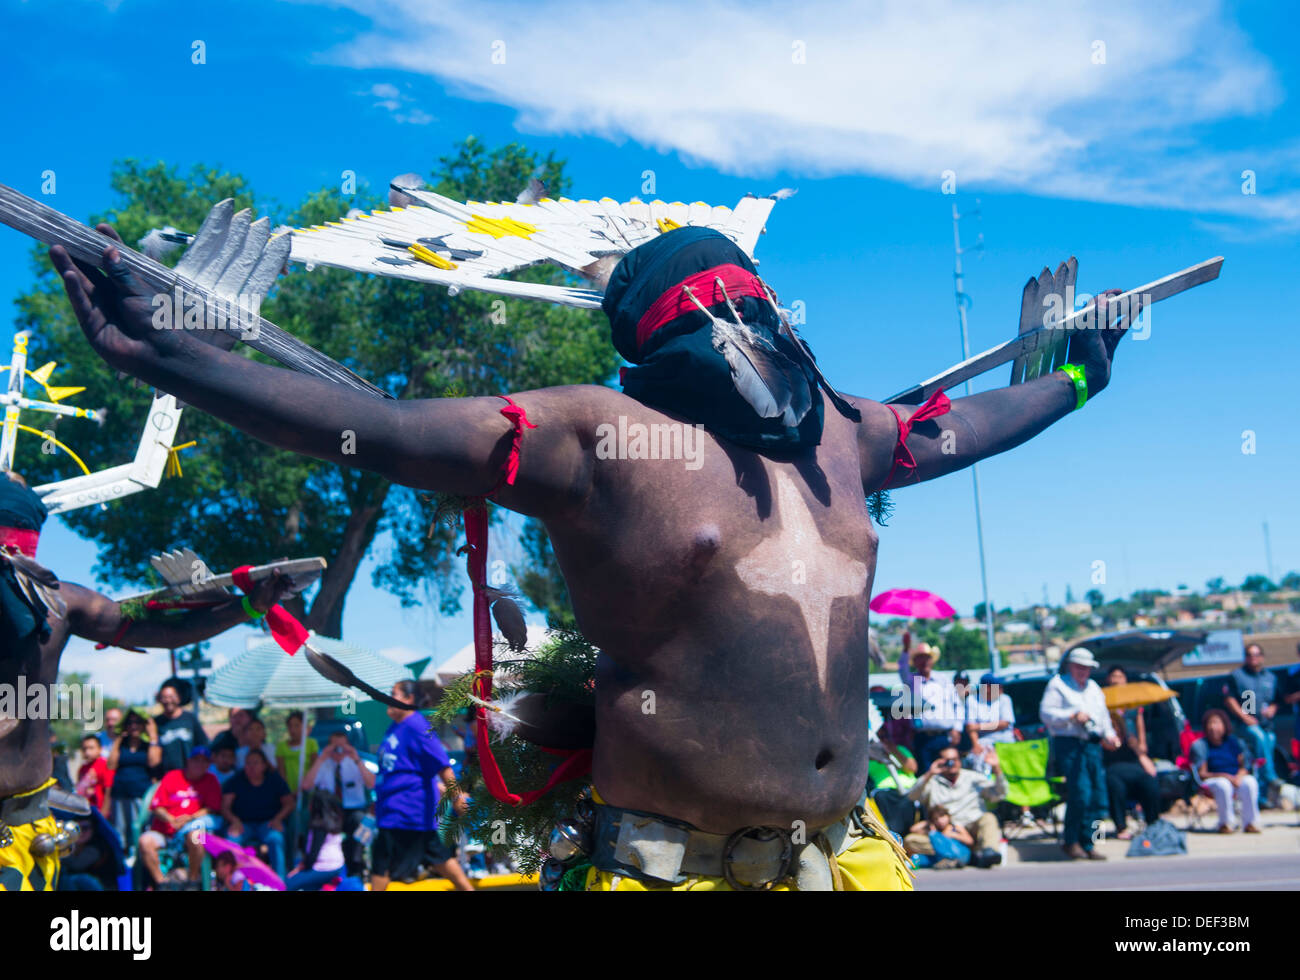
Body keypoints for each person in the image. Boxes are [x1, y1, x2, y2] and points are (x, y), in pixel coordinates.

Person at [55, 220, 1135, 890]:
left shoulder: (844, 434)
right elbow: (371, 428)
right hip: (664, 876)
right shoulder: (589, 435)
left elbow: (974, 425)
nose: (739, 336)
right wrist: (174, 354)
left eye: (748, 310)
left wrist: (1075, 376)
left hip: (844, 860)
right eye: (710, 316)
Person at [0, 470, 292, 891]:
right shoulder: (62, 603)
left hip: (30, 831)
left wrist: (248, 605)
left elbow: (164, 630)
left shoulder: (61, 603)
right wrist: (246, 607)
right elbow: (166, 631)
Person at [371, 680, 473, 891]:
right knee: (439, 857)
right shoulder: (396, 726)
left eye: (394, 694)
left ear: (409, 699)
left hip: (406, 809)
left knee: (381, 862)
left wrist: (457, 798)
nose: (388, 699)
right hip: (393, 808)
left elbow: (442, 765)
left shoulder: (417, 726)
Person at [1039, 648, 1121, 860]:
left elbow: (1103, 717)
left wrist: (1110, 736)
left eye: (1087, 668)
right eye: (1079, 667)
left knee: (1099, 795)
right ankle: (1072, 841)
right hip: (1069, 743)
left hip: (1092, 744)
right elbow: (1046, 714)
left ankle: (1093, 842)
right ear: (1070, 667)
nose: (1083, 671)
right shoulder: (1058, 685)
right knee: (1081, 793)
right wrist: (1072, 715)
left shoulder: (1093, 688)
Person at [904, 745, 1006, 868]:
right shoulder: (932, 781)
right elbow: (911, 796)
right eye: (947, 760)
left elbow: (999, 795)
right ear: (940, 761)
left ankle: (988, 853)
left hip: (972, 827)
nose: (952, 763)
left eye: (955, 759)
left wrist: (997, 769)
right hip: (945, 835)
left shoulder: (973, 777)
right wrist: (929, 773)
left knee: (989, 818)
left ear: (960, 760)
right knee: (911, 841)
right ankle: (965, 856)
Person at [137, 746, 223, 888]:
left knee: (197, 836)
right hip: (164, 831)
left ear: (209, 765)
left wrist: (190, 818)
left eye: (204, 761)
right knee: (145, 841)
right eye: (196, 760)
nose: (199, 764)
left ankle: (192, 880)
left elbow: (212, 809)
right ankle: (162, 883)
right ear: (188, 761)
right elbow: (156, 807)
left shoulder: (210, 780)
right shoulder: (172, 776)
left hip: (189, 831)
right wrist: (171, 820)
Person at [1101, 665, 1162, 839]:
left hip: (1133, 757)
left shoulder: (1134, 705)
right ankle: (1121, 826)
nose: (1116, 680)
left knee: (1150, 783)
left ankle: (1153, 823)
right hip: (1113, 761)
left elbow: (1140, 728)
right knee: (1115, 785)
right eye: (1113, 676)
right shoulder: (1103, 703)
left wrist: (1140, 748)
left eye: (1120, 676)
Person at [304, 729, 374, 875]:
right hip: (329, 813)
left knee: (363, 823)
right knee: (318, 824)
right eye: (335, 747)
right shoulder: (323, 764)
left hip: (353, 811)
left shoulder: (356, 763)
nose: (339, 751)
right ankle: (312, 864)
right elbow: (306, 785)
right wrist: (321, 758)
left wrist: (356, 759)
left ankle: (357, 865)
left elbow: (371, 784)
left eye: (342, 746)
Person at [221, 749, 294, 880]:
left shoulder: (274, 779)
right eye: (248, 763)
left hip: (268, 823)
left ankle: (280, 881)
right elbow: (225, 807)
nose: (251, 767)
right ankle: (232, 882)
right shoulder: (236, 780)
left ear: (264, 765)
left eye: (255, 763)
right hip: (243, 825)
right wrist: (234, 820)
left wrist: (278, 819)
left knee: (276, 838)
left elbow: (289, 803)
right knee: (232, 840)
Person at [1224, 643, 1281, 808]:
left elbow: (1278, 700)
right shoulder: (1237, 676)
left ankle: (1262, 799)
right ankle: (1271, 776)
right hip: (1245, 726)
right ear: (1245, 657)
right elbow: (1229, 699)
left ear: (1262, 657)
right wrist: (1244, 716)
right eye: (1249, 655)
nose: (1253, 658)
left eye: (1256, 655)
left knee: (1264, 753)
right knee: (1259, 738)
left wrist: (1272, 708)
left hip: (1267, 725)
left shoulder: (1270, 677)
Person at [1190, 709, 1260, 833]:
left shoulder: (1234, 742)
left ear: (1224, 725)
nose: (1212, 727)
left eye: (1216, 723)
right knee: (1223, 784)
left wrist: (1239, 776)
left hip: (1235, 778)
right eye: (1209, 724)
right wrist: (1226, 776)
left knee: (1250, 782)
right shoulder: (1201, 745)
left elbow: (1245, 765)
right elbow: (1202, 773)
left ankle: (1250, 823)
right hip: (1213, 780)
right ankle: (1225, 823)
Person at [899, 643, 965, 770]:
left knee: (948, 770)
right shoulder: (912, 681)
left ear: (932, 660)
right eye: (920, 658)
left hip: (944, 736)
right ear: (915, 662)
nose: (924, 661)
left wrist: (957, 728)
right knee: (926, 772)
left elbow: (958, 705)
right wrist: (905, 651)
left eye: (927, 658)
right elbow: (902, 670)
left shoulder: (943, 680)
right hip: (922, 737)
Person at [106, 710, 160, 857]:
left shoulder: (147, 745)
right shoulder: (121, 745)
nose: (133, 726)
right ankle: (123, 867)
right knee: (120, 833)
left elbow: (154, 762)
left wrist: (153, 736)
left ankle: (141, 866)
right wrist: (118, 739)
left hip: (140, 794)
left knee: (139, 831)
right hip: (120, 794)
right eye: (130, 723)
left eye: (137, 722)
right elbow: (111, 765)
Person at [285, 792, 347, 891]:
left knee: (288, 883)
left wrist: (300, 868)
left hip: (324, 868)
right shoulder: (335, 821)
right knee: (309, 886)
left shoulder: (319, 825)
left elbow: (313, 855)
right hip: (338, 865)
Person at [153, 681, 208, 776]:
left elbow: (203, 743)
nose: (168, 700)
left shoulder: (190, 719)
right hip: (166, 776)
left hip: (190, 775)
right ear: (160, 700)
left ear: (178, 698)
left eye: (171, 697)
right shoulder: (156, 723)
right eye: (164, 697)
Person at [965, 673, 1017, 765]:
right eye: (998, 686)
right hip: (984, 741)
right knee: (977, 759)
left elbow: (1005, 723)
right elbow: (970, 728)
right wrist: (975, 744)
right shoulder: (972, 700)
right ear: (987, 688)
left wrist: (978, 726)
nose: (1001, 689)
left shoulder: (1005, 699)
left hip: (1005, 739)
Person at [905, 805, 973, 869]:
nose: (940, 820)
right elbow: (913, 829)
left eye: (942, 816)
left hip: (960, 854)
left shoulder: (955, 828)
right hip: (941, 857)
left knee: (933, 835)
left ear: (948, 816)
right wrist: (929, 823)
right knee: (919, 857)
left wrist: (953, 835)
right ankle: (910, 863)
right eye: (936, 819)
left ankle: (949, 859)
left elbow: (970, 841)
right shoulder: (936, 831)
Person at [276, 711, 319, 796]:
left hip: (308, 791)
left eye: (297, 725)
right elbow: (281, 772)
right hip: (288, 792)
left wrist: (304, 787)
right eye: (290, 726)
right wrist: (287, 792)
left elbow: (314, 768)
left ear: (304, 727)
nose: (293, 729)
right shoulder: (281, 746)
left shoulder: (311, 743)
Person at [75, 733, 113, 816]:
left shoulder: (105, 765)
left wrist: (104, 811)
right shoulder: (83, 768)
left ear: (100, 749)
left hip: (100, 809)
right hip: (86, 809)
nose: (87, 752)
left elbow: (108, 791)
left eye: (91, 748)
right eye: (85, 749)